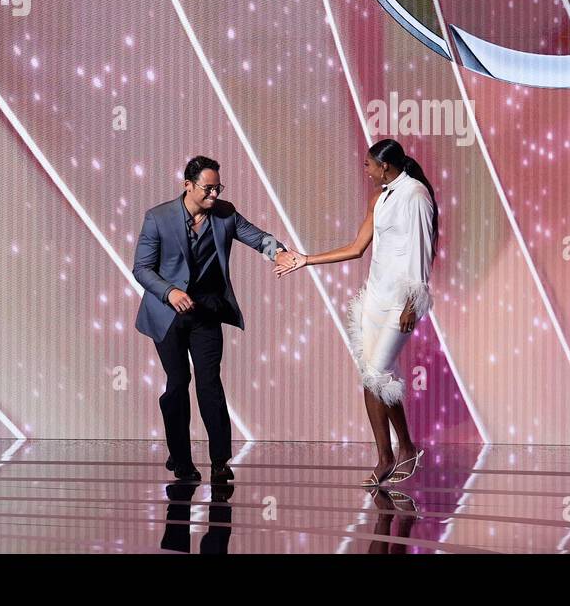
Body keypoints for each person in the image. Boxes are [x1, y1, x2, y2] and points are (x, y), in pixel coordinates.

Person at [276, 139, 438, 487]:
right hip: (374, 299)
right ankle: (403, 448)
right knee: (376, 375)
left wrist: (413, 302)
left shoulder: (415, 195)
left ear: (385, 166)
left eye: (368, 164)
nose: (364, 170)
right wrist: (306, 259)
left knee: (376, 373)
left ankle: (387, 457)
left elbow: (425, 251)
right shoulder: (380, 198)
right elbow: (356, 248)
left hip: (400, 303)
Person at [133, 155, 288, 483]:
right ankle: (181, 458)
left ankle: (220, 460)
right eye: (208, 188)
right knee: (177, 385)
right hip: (167, 316)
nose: (214, 194)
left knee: (209, 383)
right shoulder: (158, 218)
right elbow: (142, 269)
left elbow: (259, 237)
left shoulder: (225, 213)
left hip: (206, 314)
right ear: (187, 185)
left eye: (218, 188)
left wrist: (282, 252)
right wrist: (170, 292)